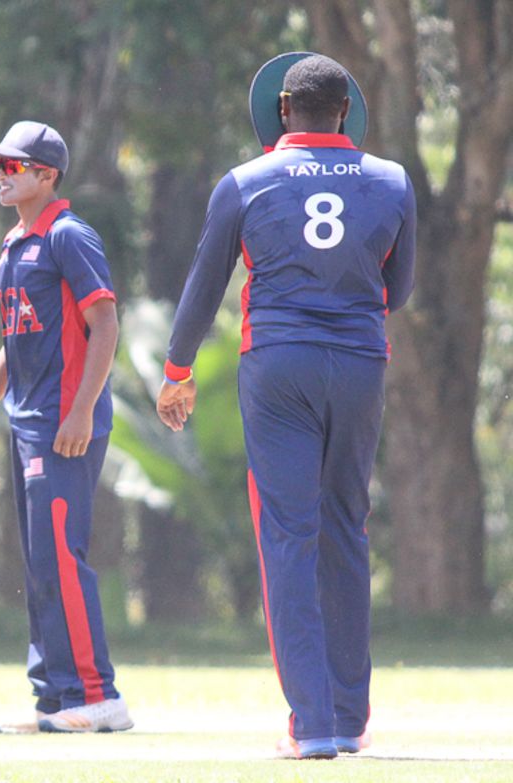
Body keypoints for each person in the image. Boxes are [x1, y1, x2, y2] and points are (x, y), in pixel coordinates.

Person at [155, 54, 416, 760]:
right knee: (346, 529)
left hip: (277, 366)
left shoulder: (246, 180)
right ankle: (353, 717)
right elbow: (401, 289)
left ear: (281, 111)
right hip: (360, 364)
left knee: (289, 535)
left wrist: (178, 371)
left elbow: (205, 285)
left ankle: (313, 723)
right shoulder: (391, 180)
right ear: (344, 111)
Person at [0, 121, 132, 733]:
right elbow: (17, 340)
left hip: (66, 423)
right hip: (29, 421)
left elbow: (105, 324)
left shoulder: (67, 235)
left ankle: (97, 695)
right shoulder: (16, 244)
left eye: (14, 166)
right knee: (39, 565)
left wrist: (83, 409)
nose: (1, 174)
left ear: (46, 175)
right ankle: (56, 700)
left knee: (63, 557)